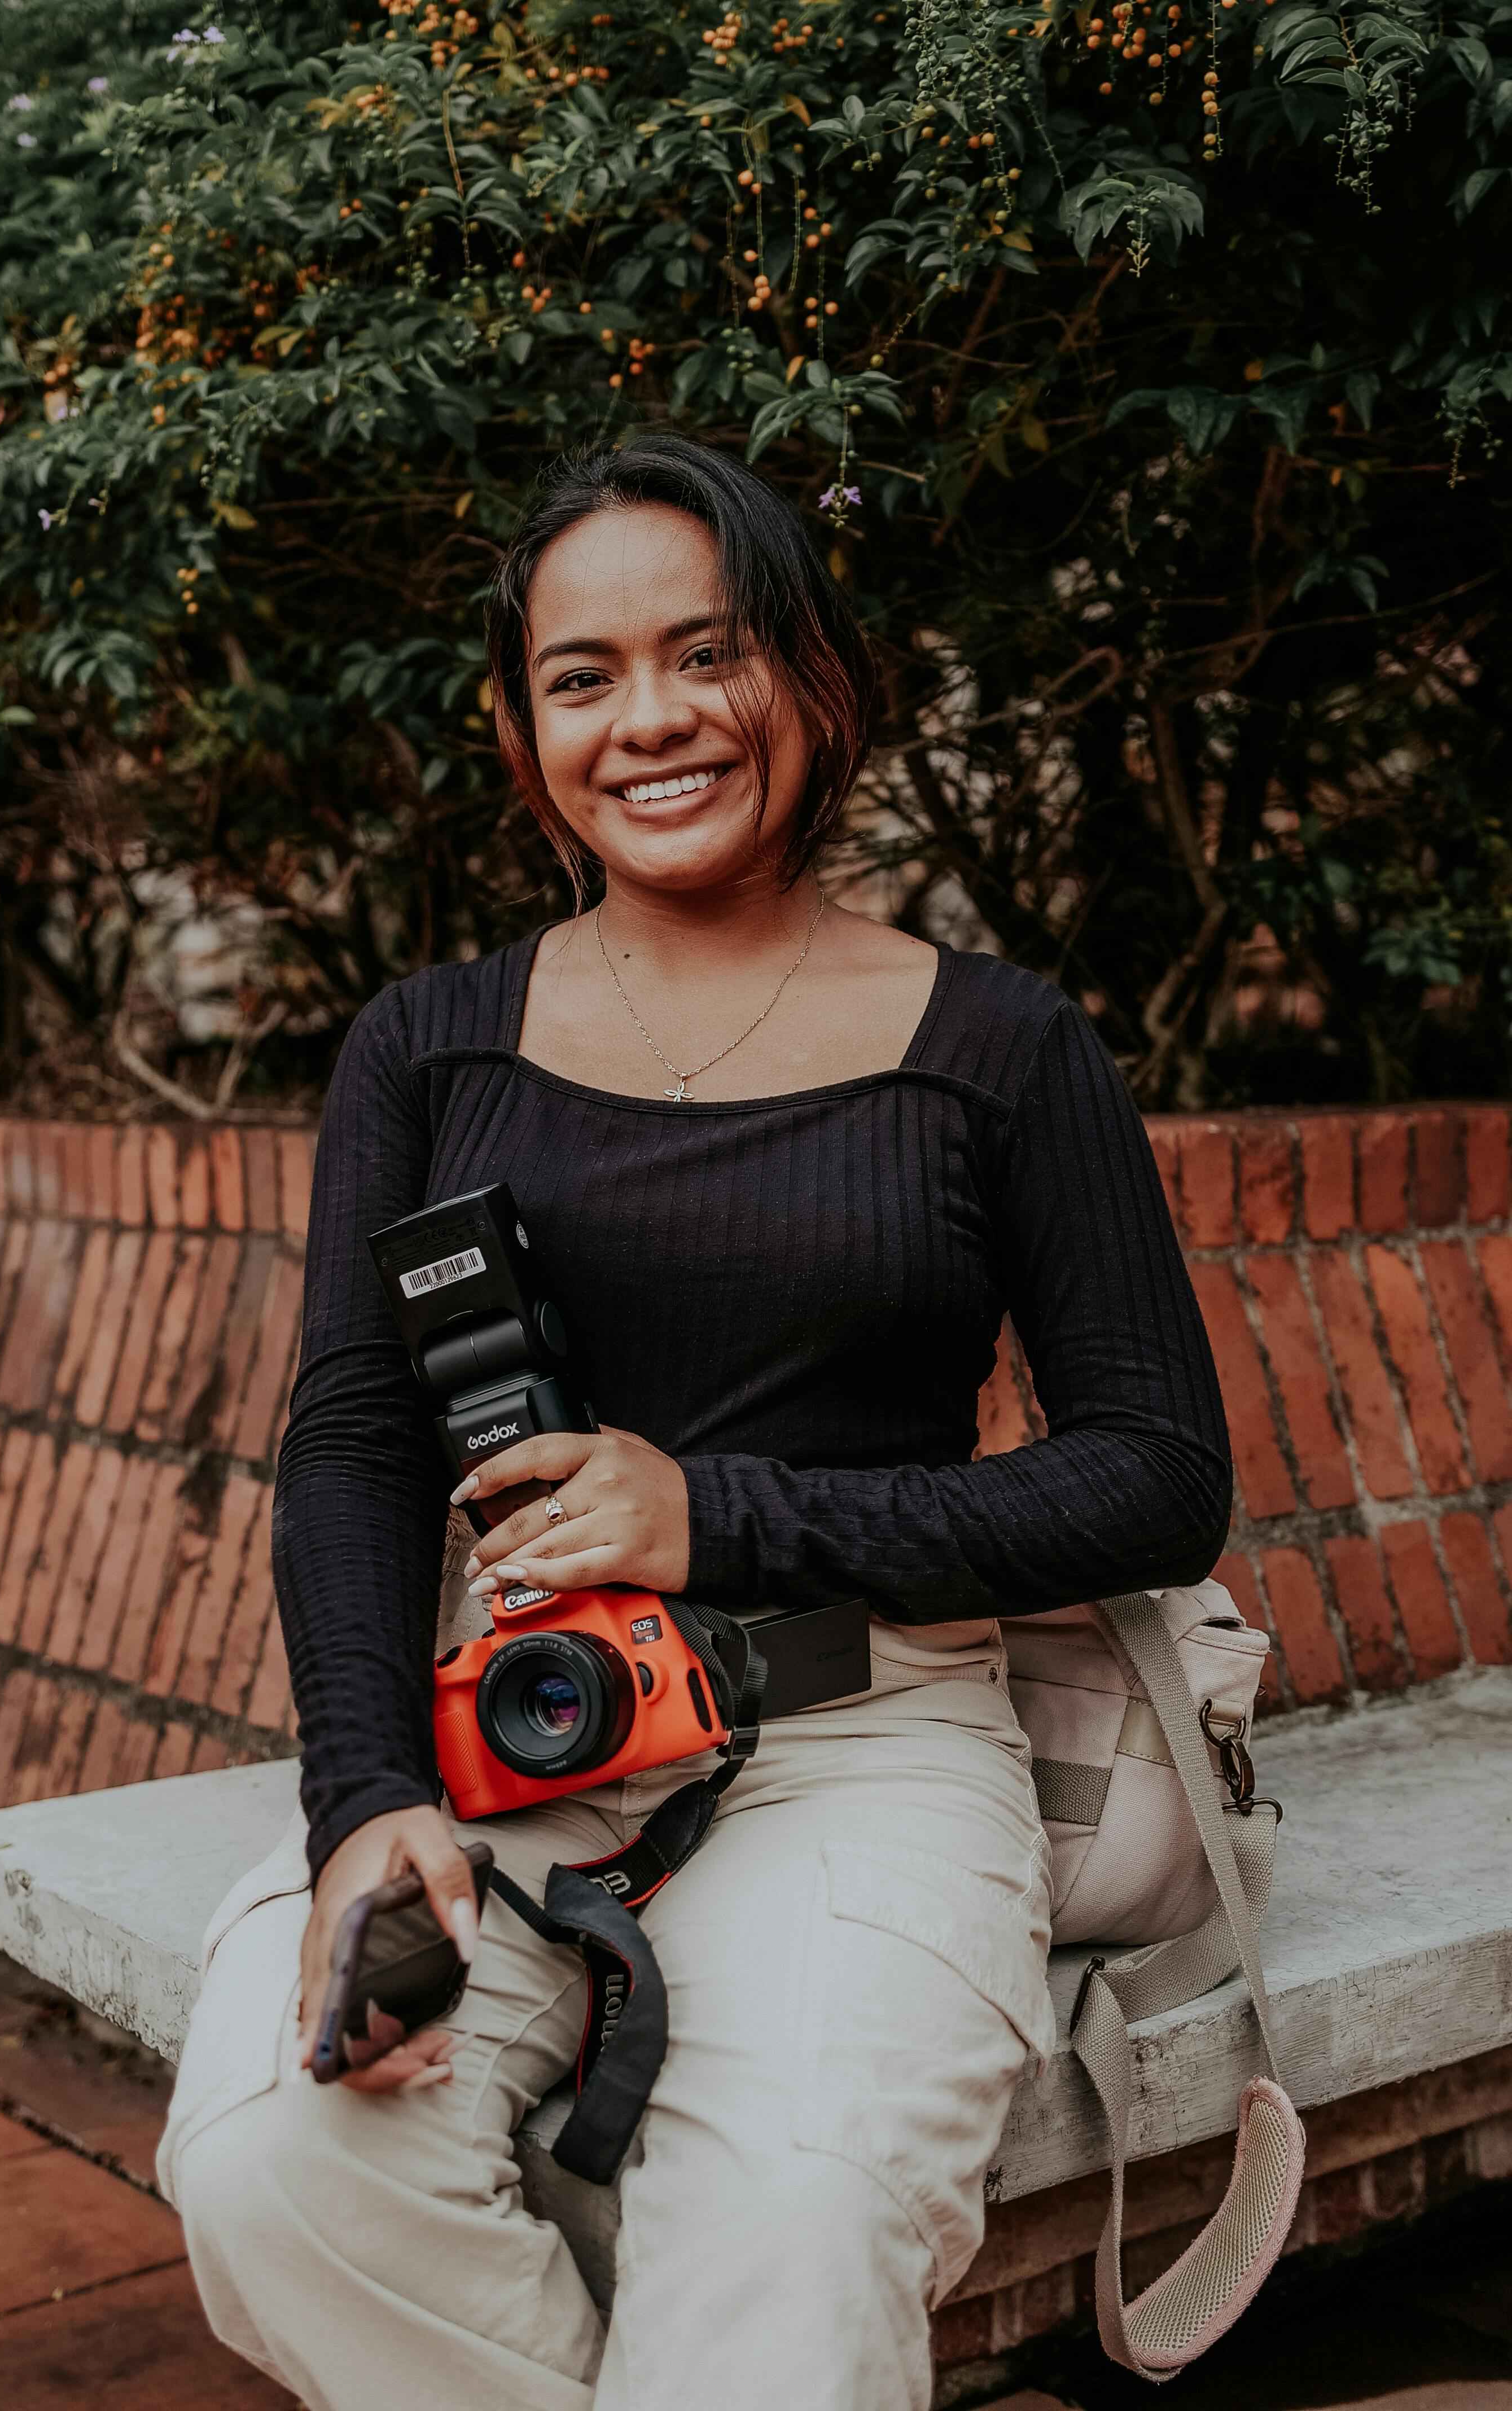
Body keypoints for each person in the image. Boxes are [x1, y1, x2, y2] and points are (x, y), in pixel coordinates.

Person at [159, 433, 1231, 2411]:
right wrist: (364, 1804)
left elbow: (1160, 1475)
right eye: (584, 677)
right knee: (275, 2165)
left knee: (798, 2231)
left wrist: (709, 1512)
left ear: (814, 681)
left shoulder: (996, 1045)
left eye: (707, 654)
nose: (649, 720)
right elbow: (360, 1451)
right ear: (522, 726)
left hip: (864, 1742)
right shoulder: (427, 1042)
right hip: (511, 1739)